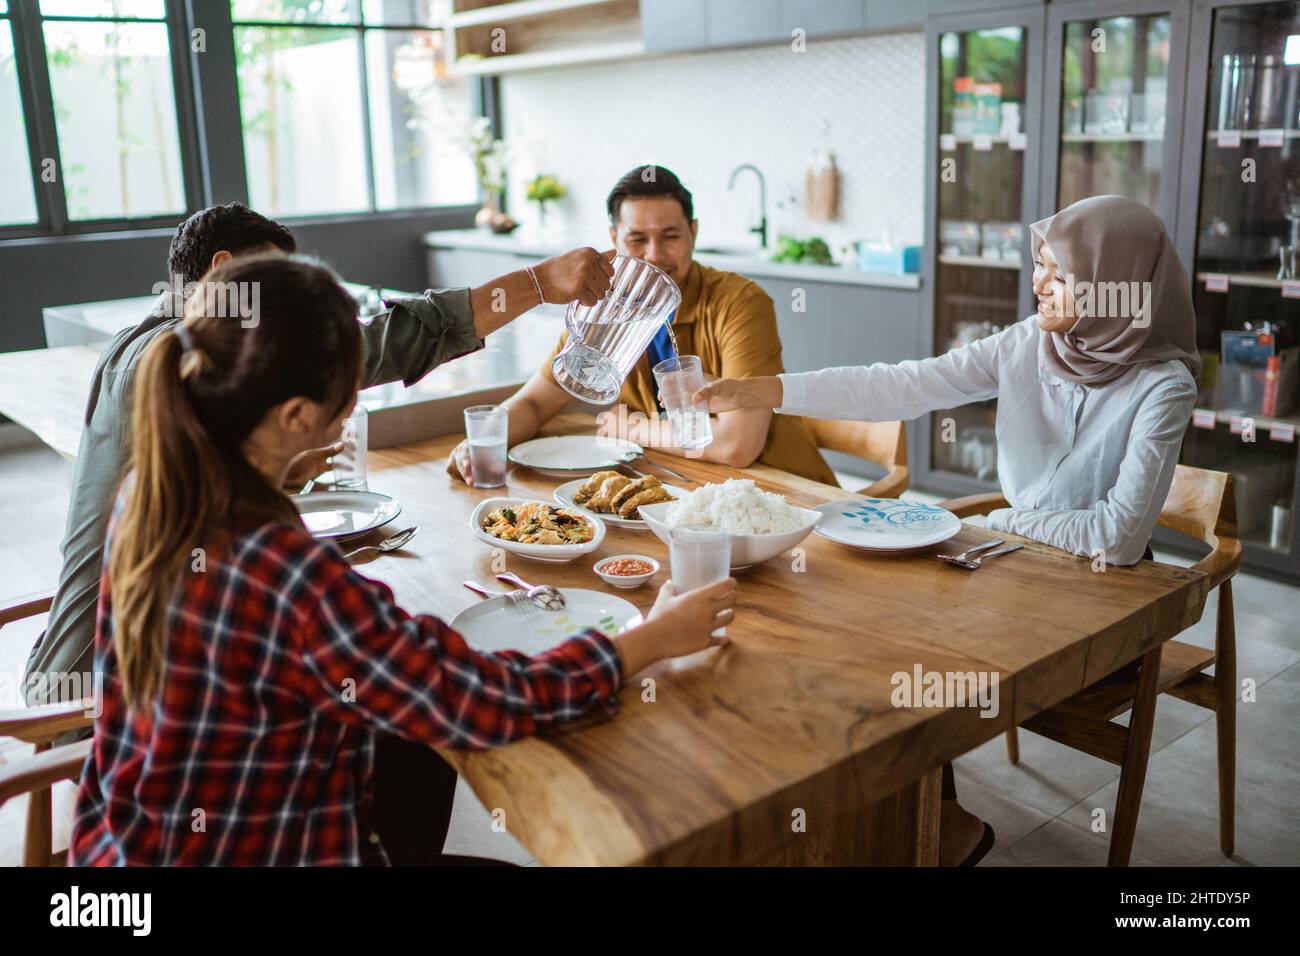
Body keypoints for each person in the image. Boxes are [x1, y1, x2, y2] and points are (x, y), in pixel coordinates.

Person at [69, 255, 737, 866]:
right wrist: (654, 640)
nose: (349, 416)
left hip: (127, 851)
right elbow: (477, 698)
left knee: (411, 750)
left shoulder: (154, 490)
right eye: (347, 395)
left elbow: (386, 668)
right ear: (297, 414)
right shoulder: (286, 574)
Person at [693, 195, 1201, 864]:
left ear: (1117, 284)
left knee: (909, 656)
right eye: (1038, 264)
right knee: (866, 629)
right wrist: (764, 390)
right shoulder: (1028, 342)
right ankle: (920, 822)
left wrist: (1000, 519)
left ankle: (928, 829)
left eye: (1058, 271)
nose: (1038, 283)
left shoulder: (1162, 385)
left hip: (1099, 605)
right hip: (1007, 566)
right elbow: (901, 386)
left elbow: (1115, 539)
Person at [26, 201, 616, 706]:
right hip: (98, 688)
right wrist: (537, 283)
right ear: (226, 274)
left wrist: (284, 474)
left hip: (122, 669)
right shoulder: (186, 369)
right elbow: (374, 345)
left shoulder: (147, 351)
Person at [447, 166, 836, 486]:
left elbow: (737, 446)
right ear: (614, 238)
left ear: (693, 233)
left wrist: (630, 428)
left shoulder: (740, 303)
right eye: (637, 239)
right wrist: (483, 440)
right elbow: (534, 401)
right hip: (681, 484)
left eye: (670, 237)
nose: (654, 255)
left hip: (782, 489)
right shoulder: (599, 307)